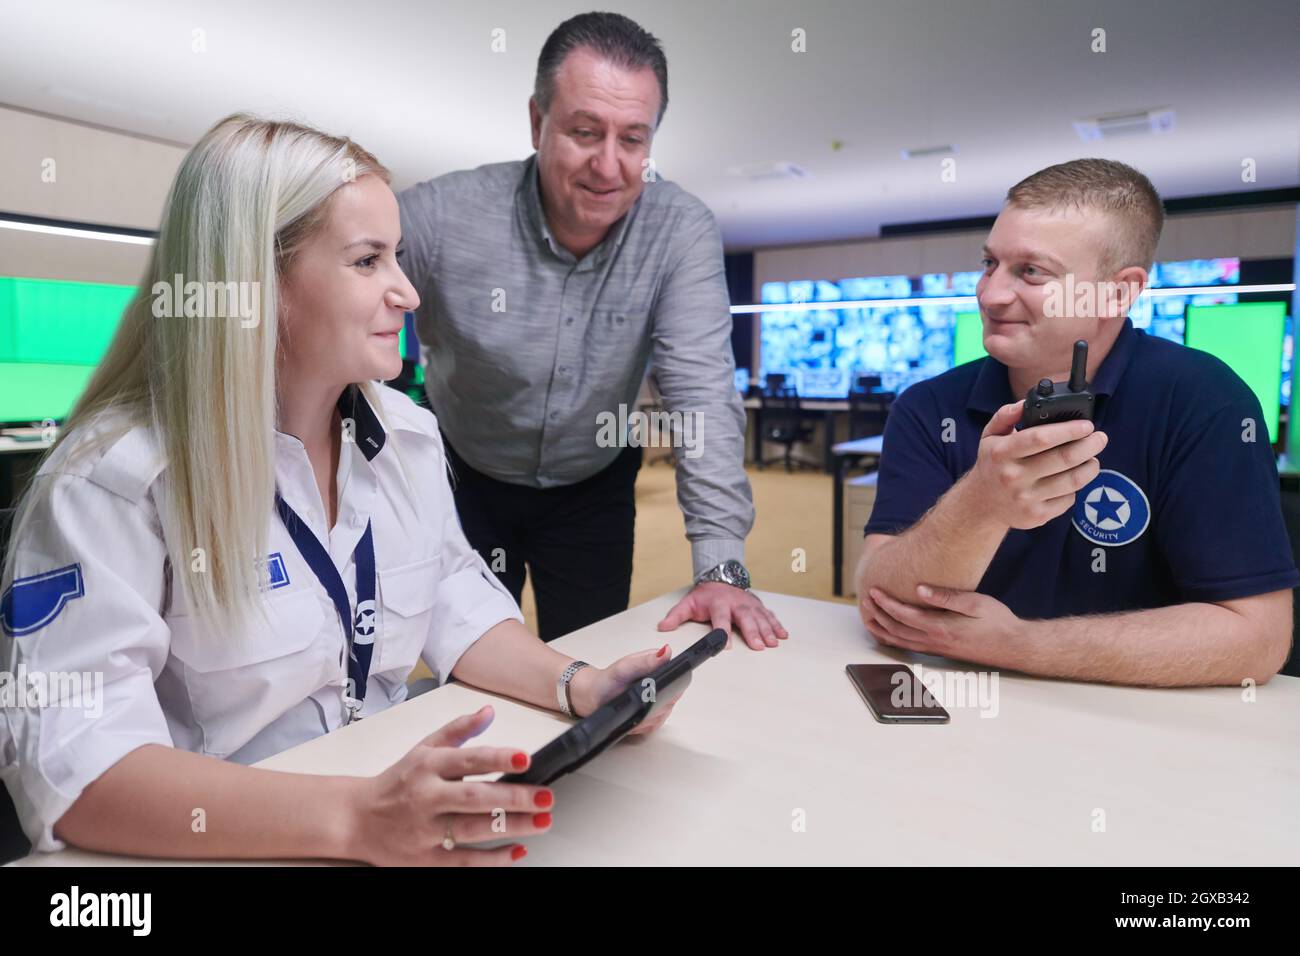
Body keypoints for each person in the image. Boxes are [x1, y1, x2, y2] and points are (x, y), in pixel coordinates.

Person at [0, 114, 683, 865]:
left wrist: (580, 686)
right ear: (258, 285)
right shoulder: (112, 486)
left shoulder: (407, 437)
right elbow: (80, 774)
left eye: (398, 257)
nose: (408, 293)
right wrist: (357, 817)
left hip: (382, 816)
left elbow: (451, 597)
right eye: (368, 262)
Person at [397, 11, 788, 648]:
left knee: (587, 657)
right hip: (462, 473)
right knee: (457, 656)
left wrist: (721, 567)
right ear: (536, 121)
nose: (608, 166)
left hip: (592, 485)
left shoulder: (679, 230)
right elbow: (331, 296)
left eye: (633, 139)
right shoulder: (440, 216)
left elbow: (701, 395)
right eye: (585, 132)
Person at [856, 158, 1296, 686]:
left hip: (1144, 729)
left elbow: (1257, 641)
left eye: (1031, 272)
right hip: (958, 713)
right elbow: (882, 604)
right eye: (989, 263)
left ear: (1118, 291)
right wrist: (982, 504)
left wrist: (1017, 645)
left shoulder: (1206, 403)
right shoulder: (928, 408)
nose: (991, 295)